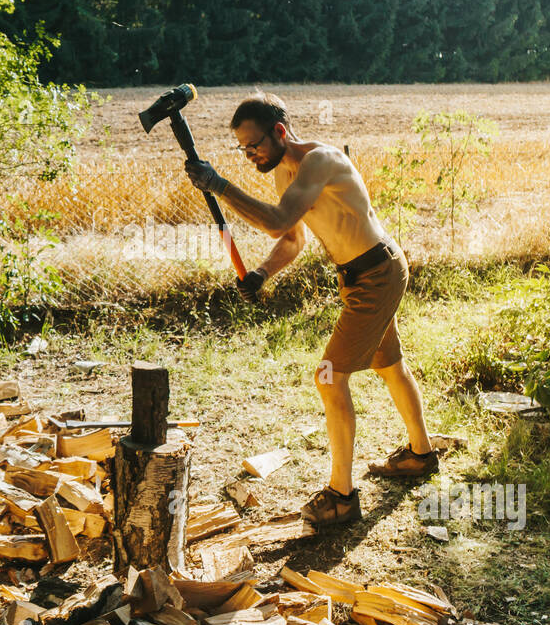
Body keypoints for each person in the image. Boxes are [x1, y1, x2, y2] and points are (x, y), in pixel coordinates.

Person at [184, 91, 444, 527]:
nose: (250, 155)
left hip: (377, 273)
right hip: (362, 276)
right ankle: (421, 453)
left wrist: (220, 186)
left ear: (280, 132)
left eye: (255, 145)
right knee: (389, 364)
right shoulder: (284, 173)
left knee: (328, 376)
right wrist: (263, 273)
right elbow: (292, 239)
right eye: (243, 149)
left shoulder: (319, 162)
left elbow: (276, 221)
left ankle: (342, 496)